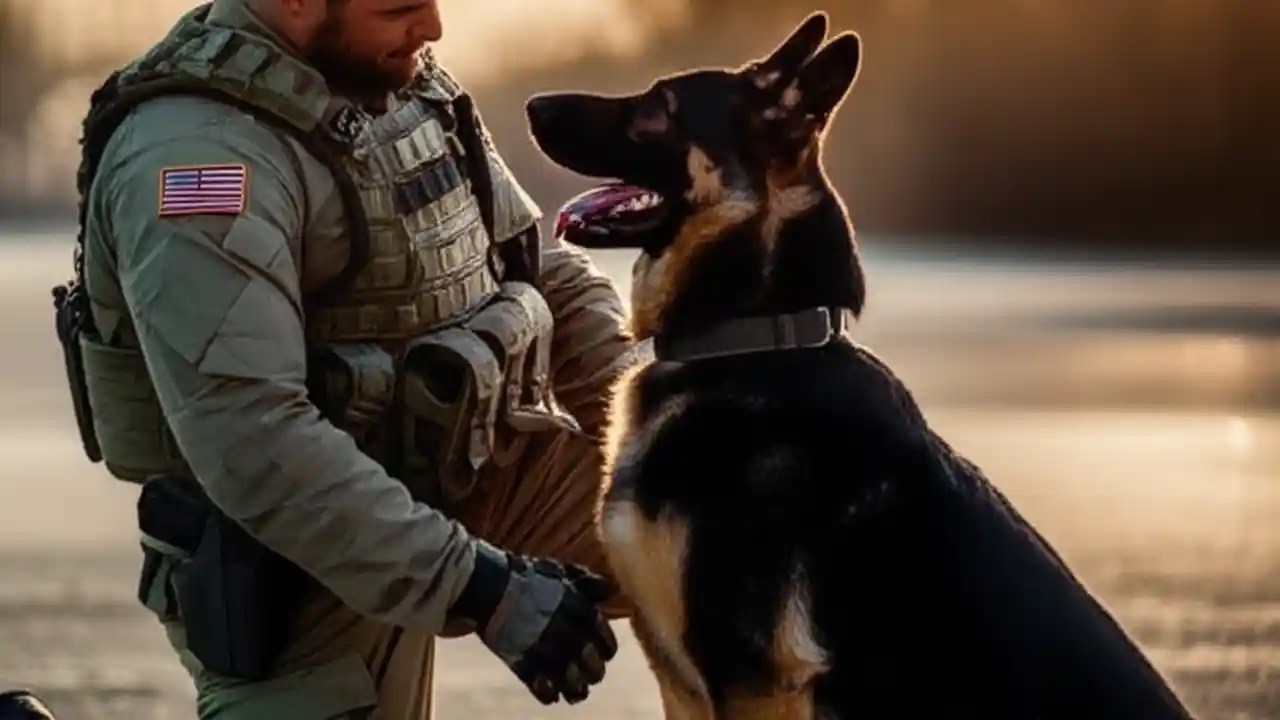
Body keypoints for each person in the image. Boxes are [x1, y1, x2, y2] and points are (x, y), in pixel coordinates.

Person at [50, 0, 641, 717]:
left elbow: (537, 269)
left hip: (483, 467)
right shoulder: (198, 160)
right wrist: (484, 588)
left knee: (746, 521)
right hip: (296, 554)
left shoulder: (401, 85)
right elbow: (254, 440)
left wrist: (661, 419)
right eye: (400, 8)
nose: (432, 28)